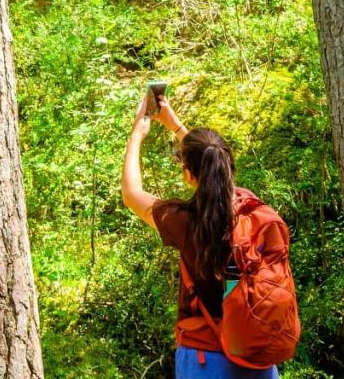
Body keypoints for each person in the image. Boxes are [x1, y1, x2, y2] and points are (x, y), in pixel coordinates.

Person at [121, 90, 292, 378]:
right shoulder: (252, 210)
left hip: (206, 357)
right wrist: (176, 126)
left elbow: (131, 194)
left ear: (189, 175)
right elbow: (211, 160)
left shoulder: (187, 222)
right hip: (258, 352)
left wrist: (136, 135)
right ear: (228, 165)